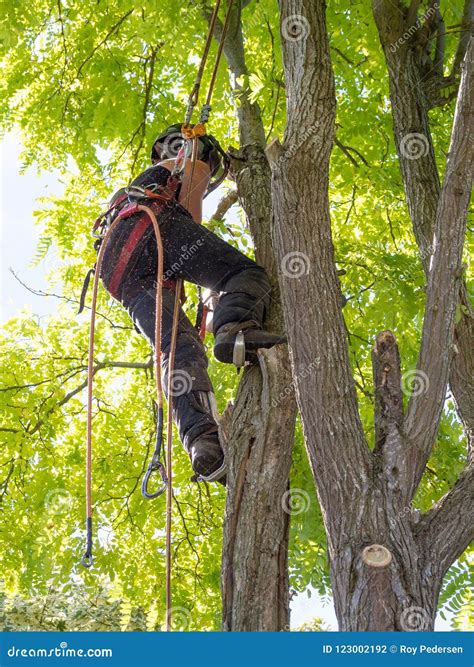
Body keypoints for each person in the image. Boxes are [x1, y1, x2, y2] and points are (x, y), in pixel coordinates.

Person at [99, 124, 285, 483]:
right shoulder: (183, 163)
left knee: (177, 347)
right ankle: (234, 329)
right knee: (244, 275)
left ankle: (203, 442)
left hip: (118, 272)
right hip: (152, 228)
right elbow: (190, 215)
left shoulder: (126, 193)